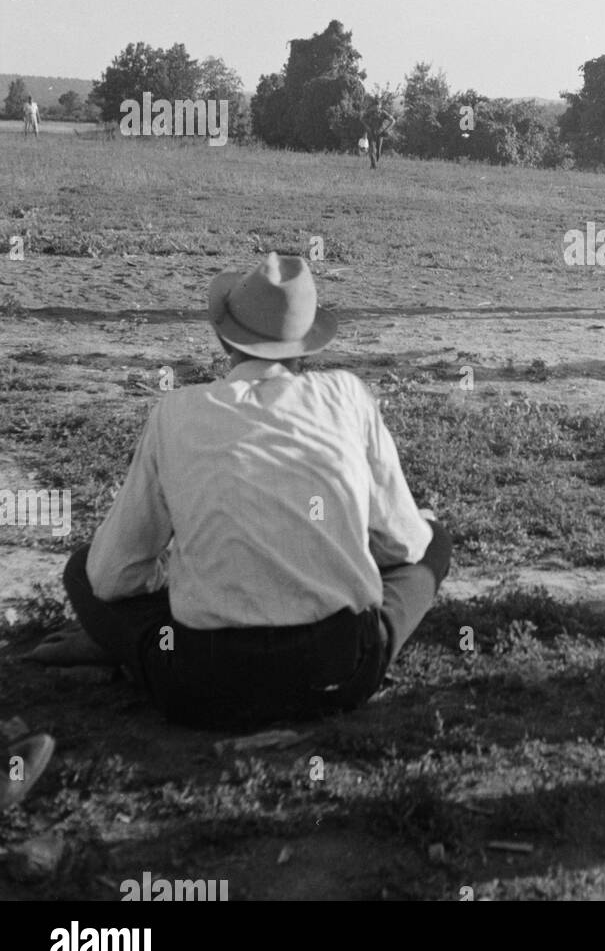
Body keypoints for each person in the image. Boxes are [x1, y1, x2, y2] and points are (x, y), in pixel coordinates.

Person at [30, 252, 451, 730]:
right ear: (306, 347)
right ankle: (357, 637)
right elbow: (404, 544)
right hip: (337, 674)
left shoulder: (176, 411)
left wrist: (175, 578)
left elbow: (110, 576)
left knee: (83, 572)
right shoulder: (347, 395)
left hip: (202, 685)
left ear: (224, 338)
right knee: (432, 542)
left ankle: (129, 642)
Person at [363, 97, 396, 169]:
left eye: (378, 105)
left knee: (378, 152)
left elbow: (393, 121)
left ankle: (376, 160)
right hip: (371, 133)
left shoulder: (383, 113)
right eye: (375, 105)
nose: (376, 106)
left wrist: (387, 129)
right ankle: (373, 165)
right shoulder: (369, 112)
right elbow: (362, 118)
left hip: (380, 134)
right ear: (373, 106)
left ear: (380, 106)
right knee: (371, 149)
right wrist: (367, 127)